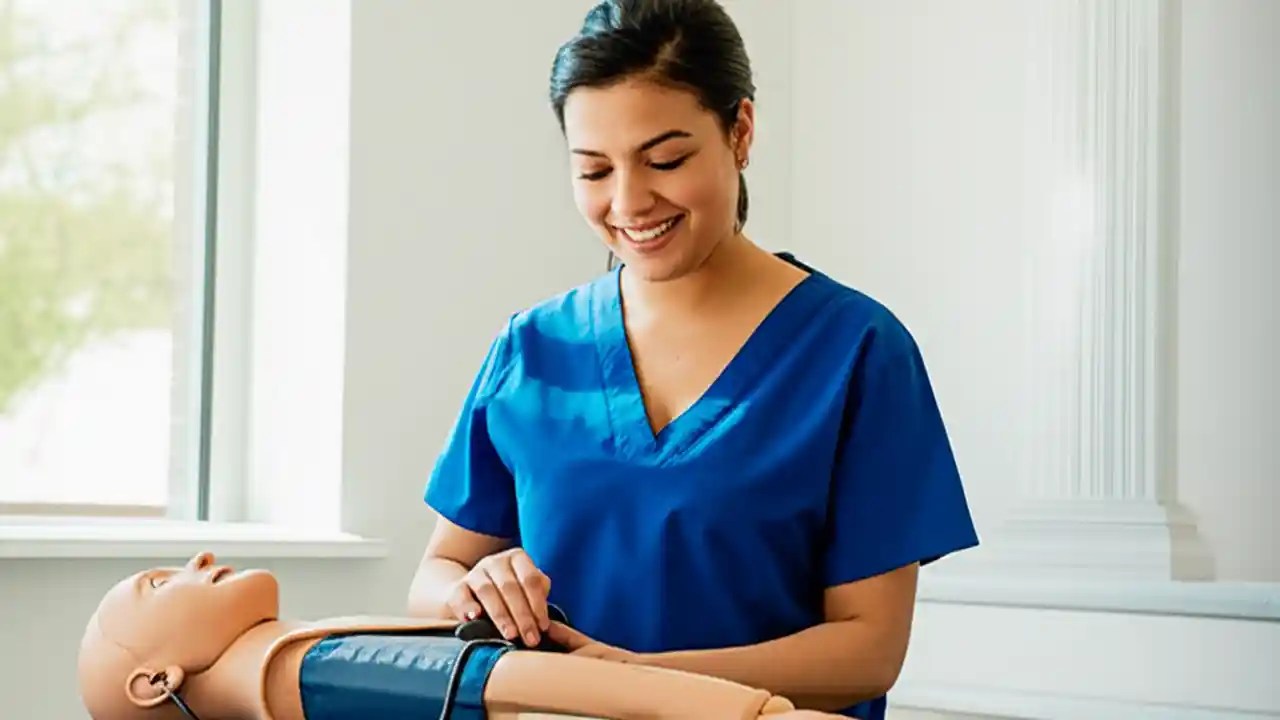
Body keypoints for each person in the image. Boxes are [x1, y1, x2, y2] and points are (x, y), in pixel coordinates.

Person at [407, 1, 980, 718]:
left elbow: (867, 650)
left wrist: (637, 678)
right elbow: (435, 574)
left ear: (739, 132)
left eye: (666, 160)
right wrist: (476, 588)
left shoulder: (857, 352)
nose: (628, 202)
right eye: (593, 171)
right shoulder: (530, 348)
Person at [76, 551, 846, 720]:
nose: (197, 561)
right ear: (155, 682)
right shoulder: (329, 672)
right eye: (157, 583)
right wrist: (766, 717)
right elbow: (552, 688)